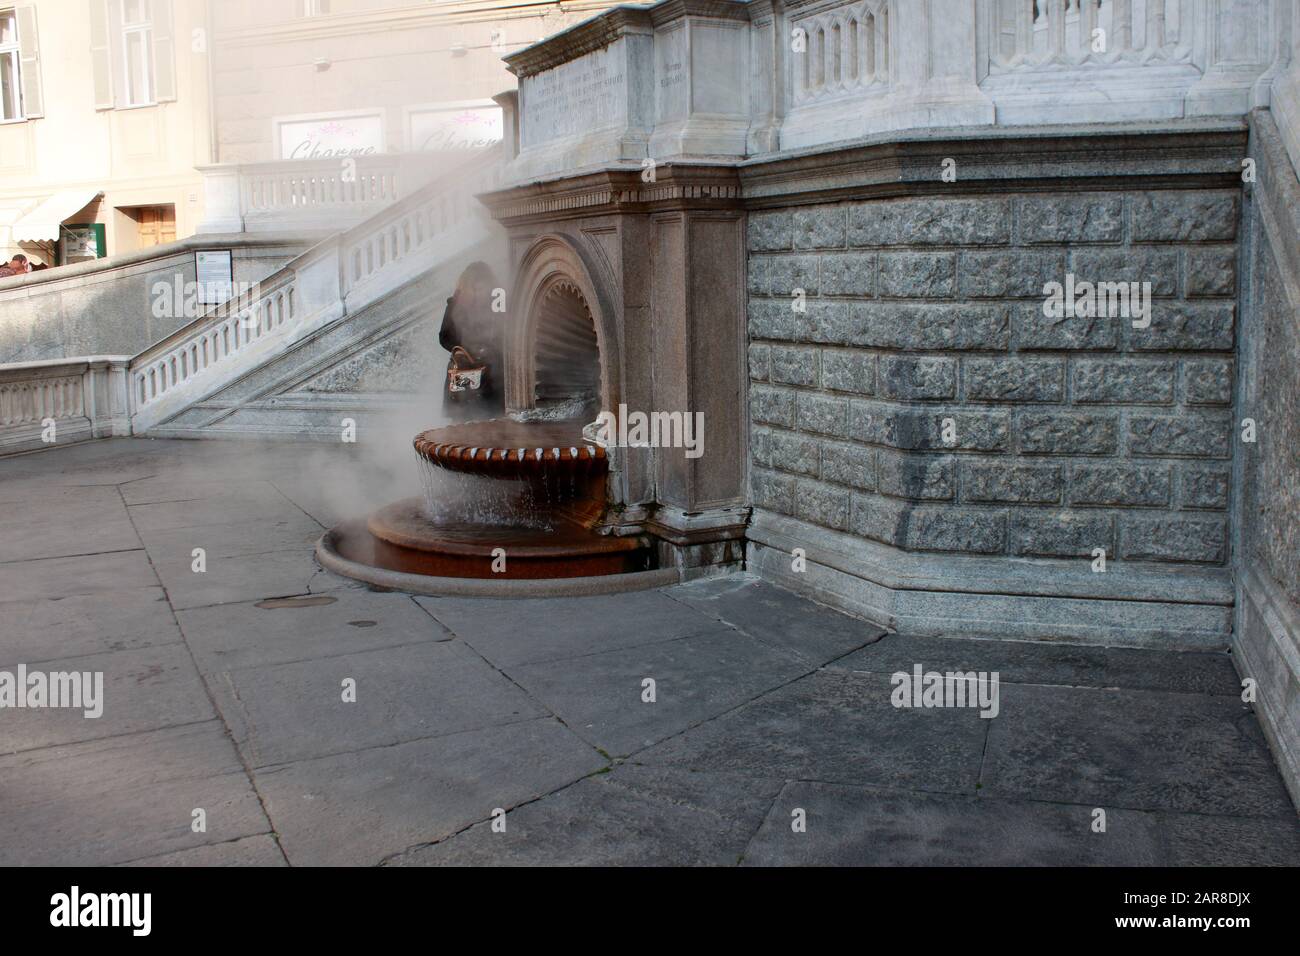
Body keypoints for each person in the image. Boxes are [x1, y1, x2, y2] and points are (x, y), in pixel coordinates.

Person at [438, 262, 504, 420]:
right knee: (477, 426)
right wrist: (470, 350)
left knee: (468, 425)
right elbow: (445, 336)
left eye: (481, 288)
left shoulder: (496, 303)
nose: (478, 292)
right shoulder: (458, 303)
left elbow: (445, 336)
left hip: (482, 374)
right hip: (476, 372)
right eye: (476, 288)